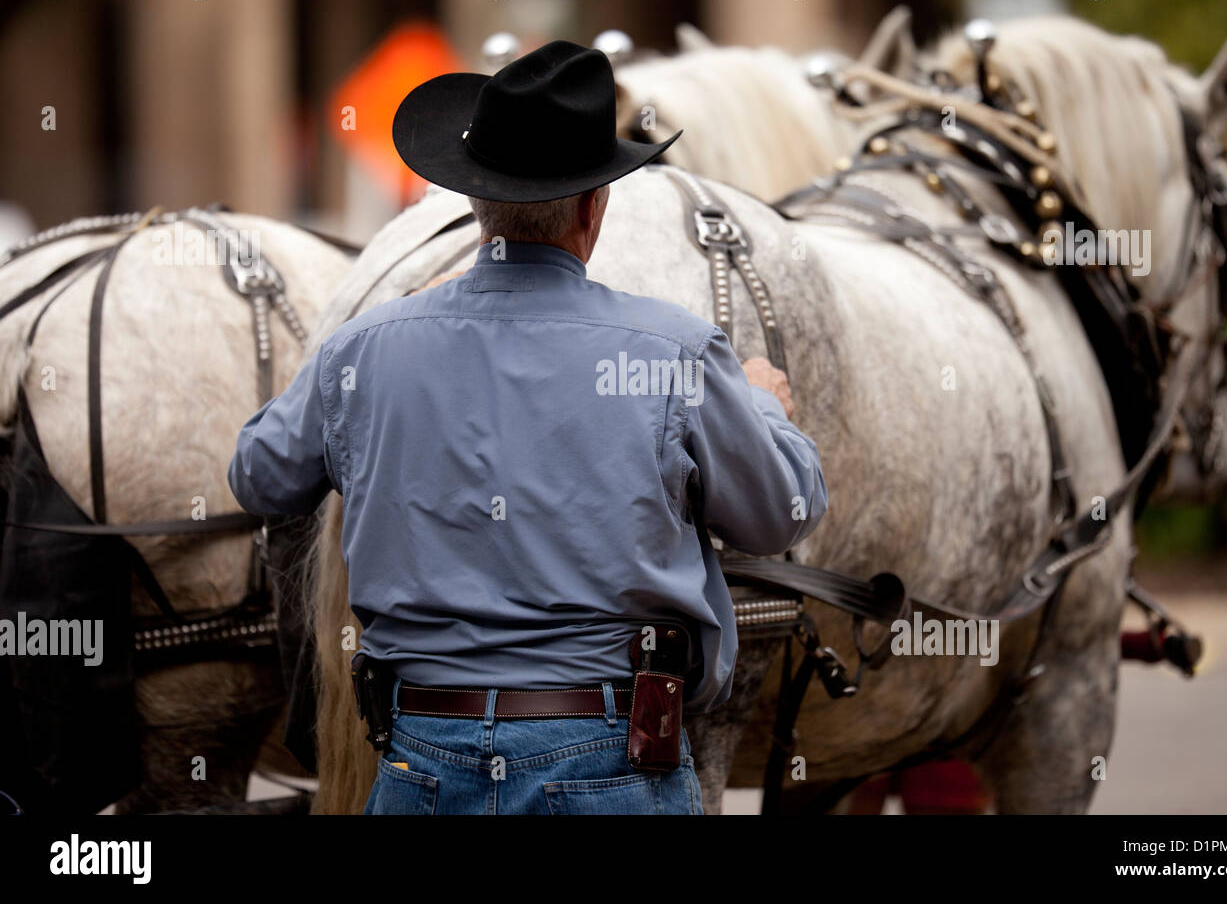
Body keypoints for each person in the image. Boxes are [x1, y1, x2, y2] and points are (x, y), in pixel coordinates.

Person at [228, 40, 827, 814]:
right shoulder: (675, 353)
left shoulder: (364, 350)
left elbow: (258, 476)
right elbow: (781, 513)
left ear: (476, 203)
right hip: (610, 761)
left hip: (419, 761)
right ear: (592, 207)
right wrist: (765, 407)